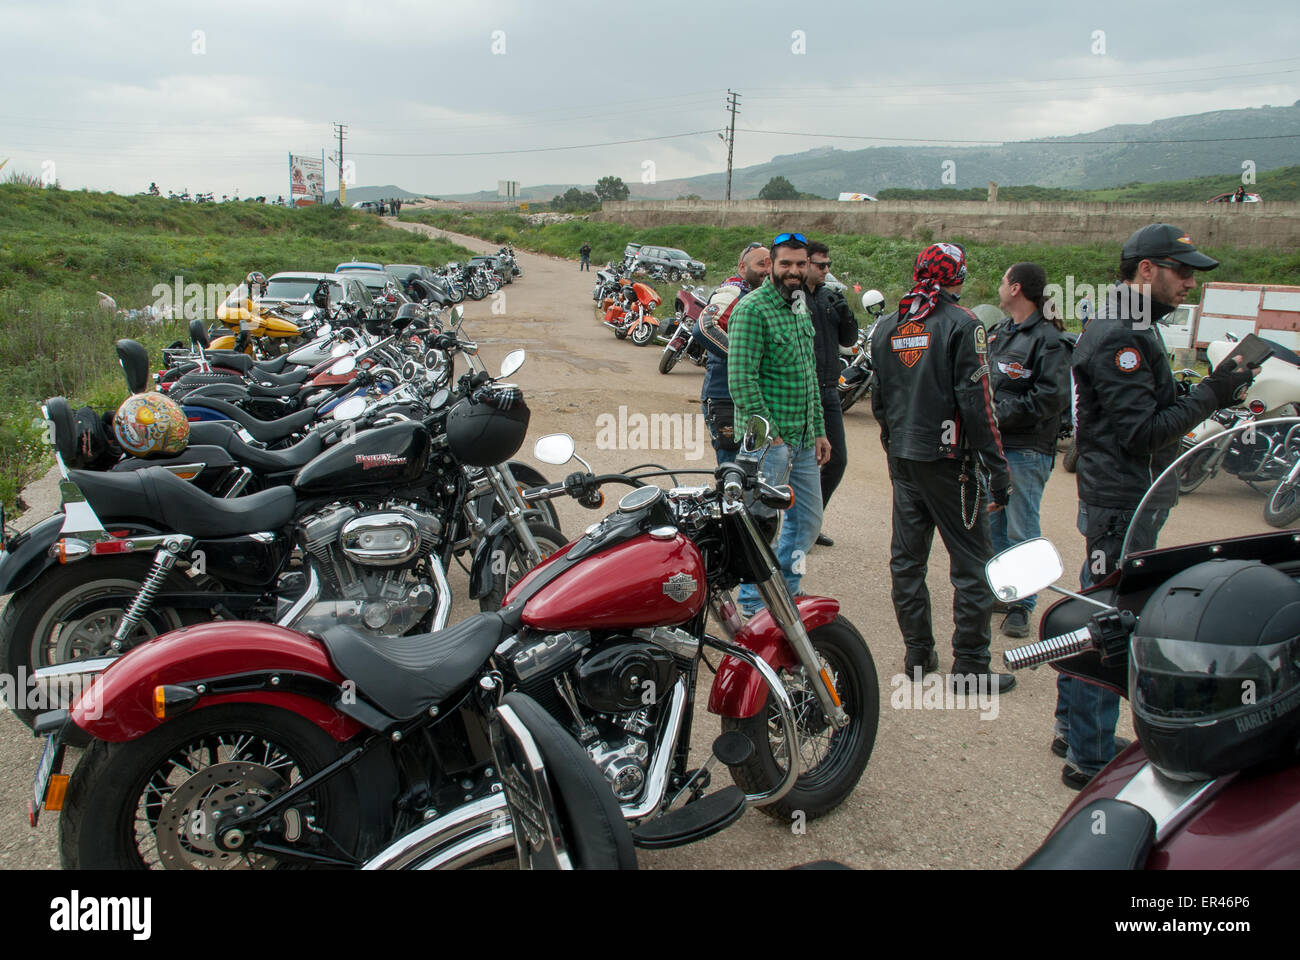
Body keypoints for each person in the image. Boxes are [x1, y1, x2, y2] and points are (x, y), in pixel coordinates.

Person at [1060, 223, 1256, 789]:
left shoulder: (1131, 322)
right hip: (1124, 497)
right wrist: (1212, 395)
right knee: (1110, 619)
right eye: (1181, 271)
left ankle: (1073, 730)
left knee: (1092, 603)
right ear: (1145, 269)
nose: (1190, 282)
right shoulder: (1125, 331)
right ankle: (1089, 754)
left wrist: (1205, 387)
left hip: (1122, 493)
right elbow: (1141, 433)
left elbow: (1145, 410)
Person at [870, 242, 1016, 693]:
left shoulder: (888, 326)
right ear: (957, 276)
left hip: (904, 458)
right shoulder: (964, 323)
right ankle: (970, 665)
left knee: (907, 561)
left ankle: (918, 654)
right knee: (972, 563)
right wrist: (999, 469)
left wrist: (895, 444)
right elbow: (979, 403)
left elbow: (879, 401)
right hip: (951, 462)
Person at [728, 232, 829, 615]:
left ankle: (786, 592)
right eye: (785, 263)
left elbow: (808, 374)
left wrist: (819, 429)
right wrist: (771, 434)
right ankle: (755, 607)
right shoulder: (752, 310)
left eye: (801, 264)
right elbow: (741, 380)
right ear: (770, 264)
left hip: (802, 440)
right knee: (762, 526)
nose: (794, 271)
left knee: (807, 522)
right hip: (768, 445)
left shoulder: (800, 306)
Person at [986, 262, 1068, 639]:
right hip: (998, 449)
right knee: (994, 525)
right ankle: (1005, 592)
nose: (999, 287)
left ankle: (1023, 605)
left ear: (1016, 288)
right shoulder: (1003, 332)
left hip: (1026, 450)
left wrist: (997, 416)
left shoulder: (1048, 339)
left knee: (1021, 529)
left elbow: (1051, 398)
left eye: (1003, 281)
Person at [697, 241, 771, 464]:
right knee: (732, 470)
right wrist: (747, 361)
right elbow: (704, 327)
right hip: (724, 397)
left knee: (754, 468)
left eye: (770, 264)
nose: (767, 269)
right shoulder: (734, 292)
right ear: (742, 268)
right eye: (761, 264)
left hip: (749, 398)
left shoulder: (765, 299)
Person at [804, 240, 858, 547]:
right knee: (800, 462)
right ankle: (794, 528)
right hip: (801, 390)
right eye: (821, 265)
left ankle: (811, 523)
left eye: (828, 265)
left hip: (828, 390)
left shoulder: (830, 297)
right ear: (806, 264)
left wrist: (846, 314)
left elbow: (849, 339)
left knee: (836, 460)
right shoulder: (794, 298)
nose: (826, 270)